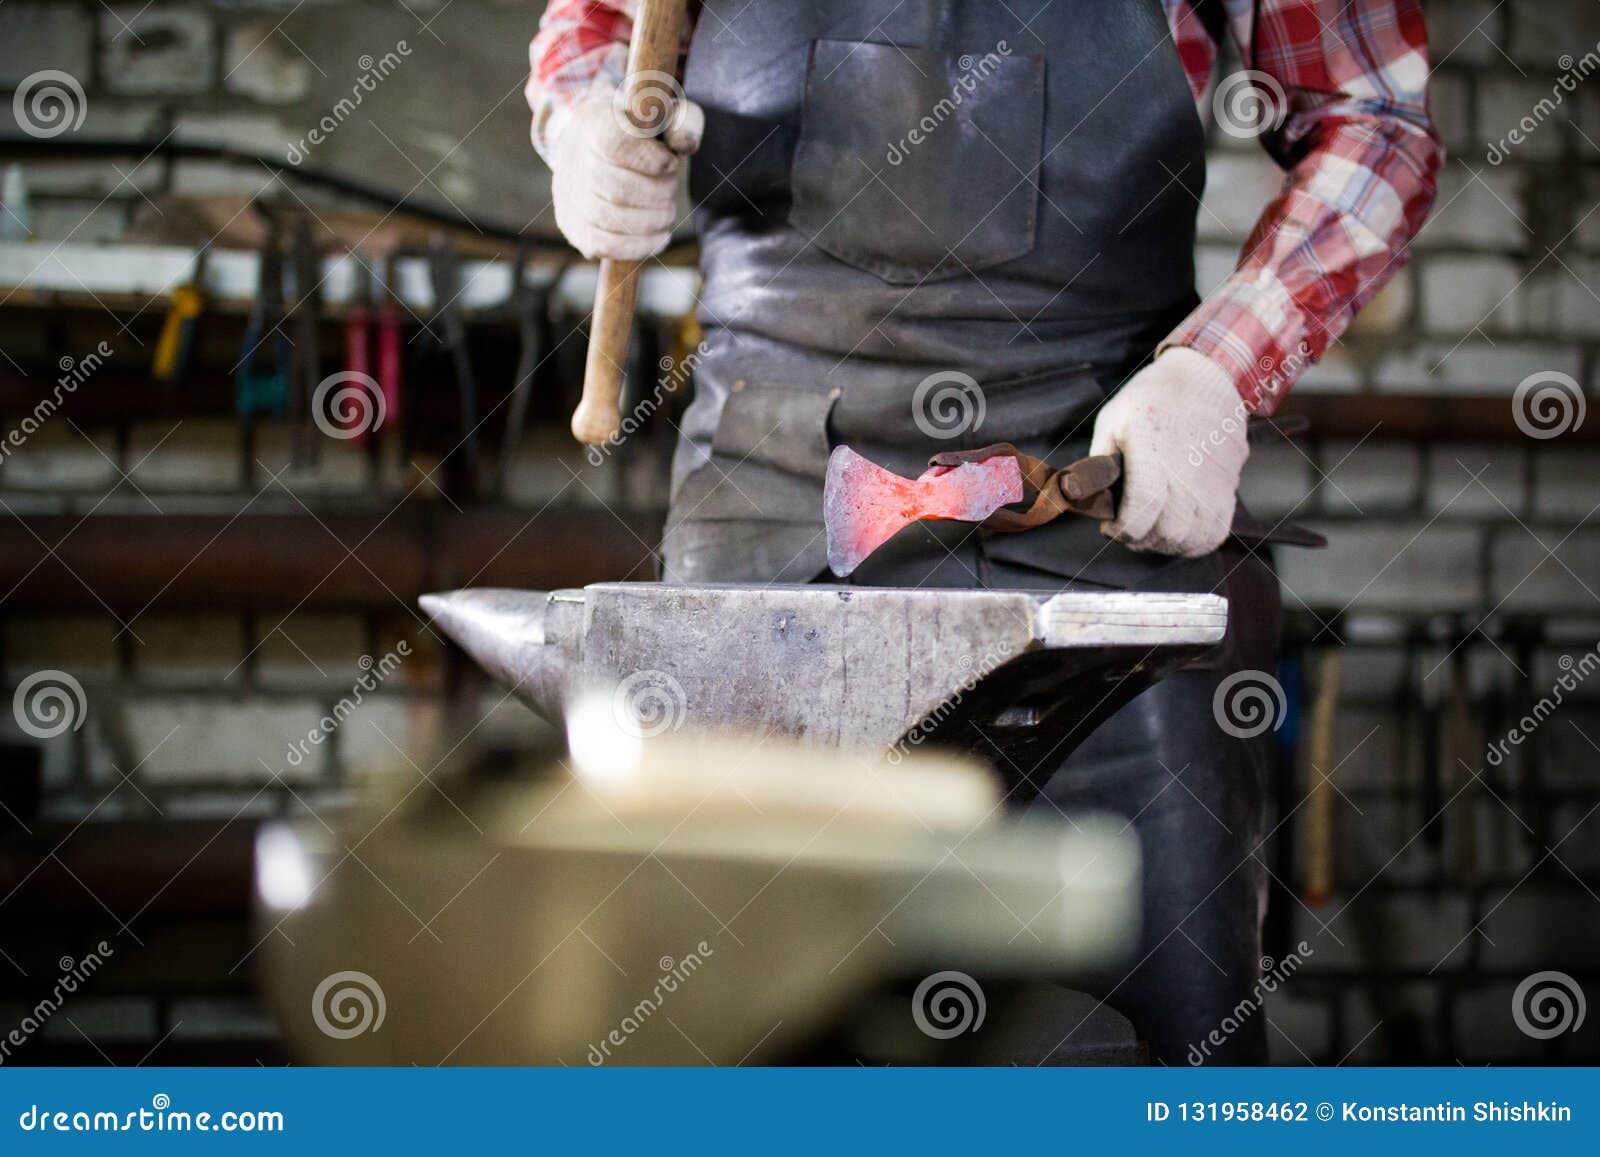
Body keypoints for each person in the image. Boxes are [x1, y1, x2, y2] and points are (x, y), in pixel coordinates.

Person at [527, 0, 1441, 1064]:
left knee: (1152, 1060)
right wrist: (584, 123)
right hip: (761, 524)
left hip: (1096, 535)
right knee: (732, 1049)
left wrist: (1219, 366)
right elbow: (593, 25)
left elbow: (1374, 116)